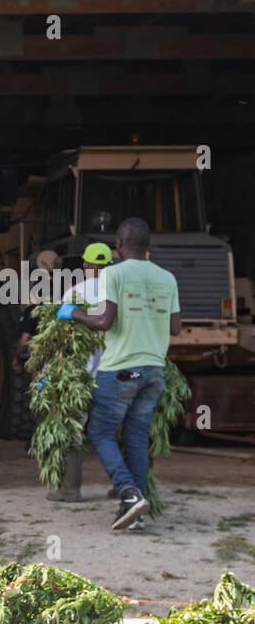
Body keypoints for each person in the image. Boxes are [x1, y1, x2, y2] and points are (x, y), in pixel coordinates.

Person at [58, 218, 181, 531]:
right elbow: (176, 327)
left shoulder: (113, 273)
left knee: (100, 431)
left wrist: (73, 313)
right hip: (154, 369)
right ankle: (135, 513)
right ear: (147, 246)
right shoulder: (167, 278)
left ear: (120, 246)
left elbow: (104, 322)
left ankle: (128, 493)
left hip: (121, 369)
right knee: (137, 436)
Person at [39, 242, 113, 504]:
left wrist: (46, 374)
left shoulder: (75, 292)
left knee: (72, 429)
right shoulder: (119, 293)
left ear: (86, 265)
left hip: (79, 376)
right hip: (112, 374)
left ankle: (71, 489)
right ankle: (124, 486)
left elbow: (59, 339)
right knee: (117, 430)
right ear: (109, 266)